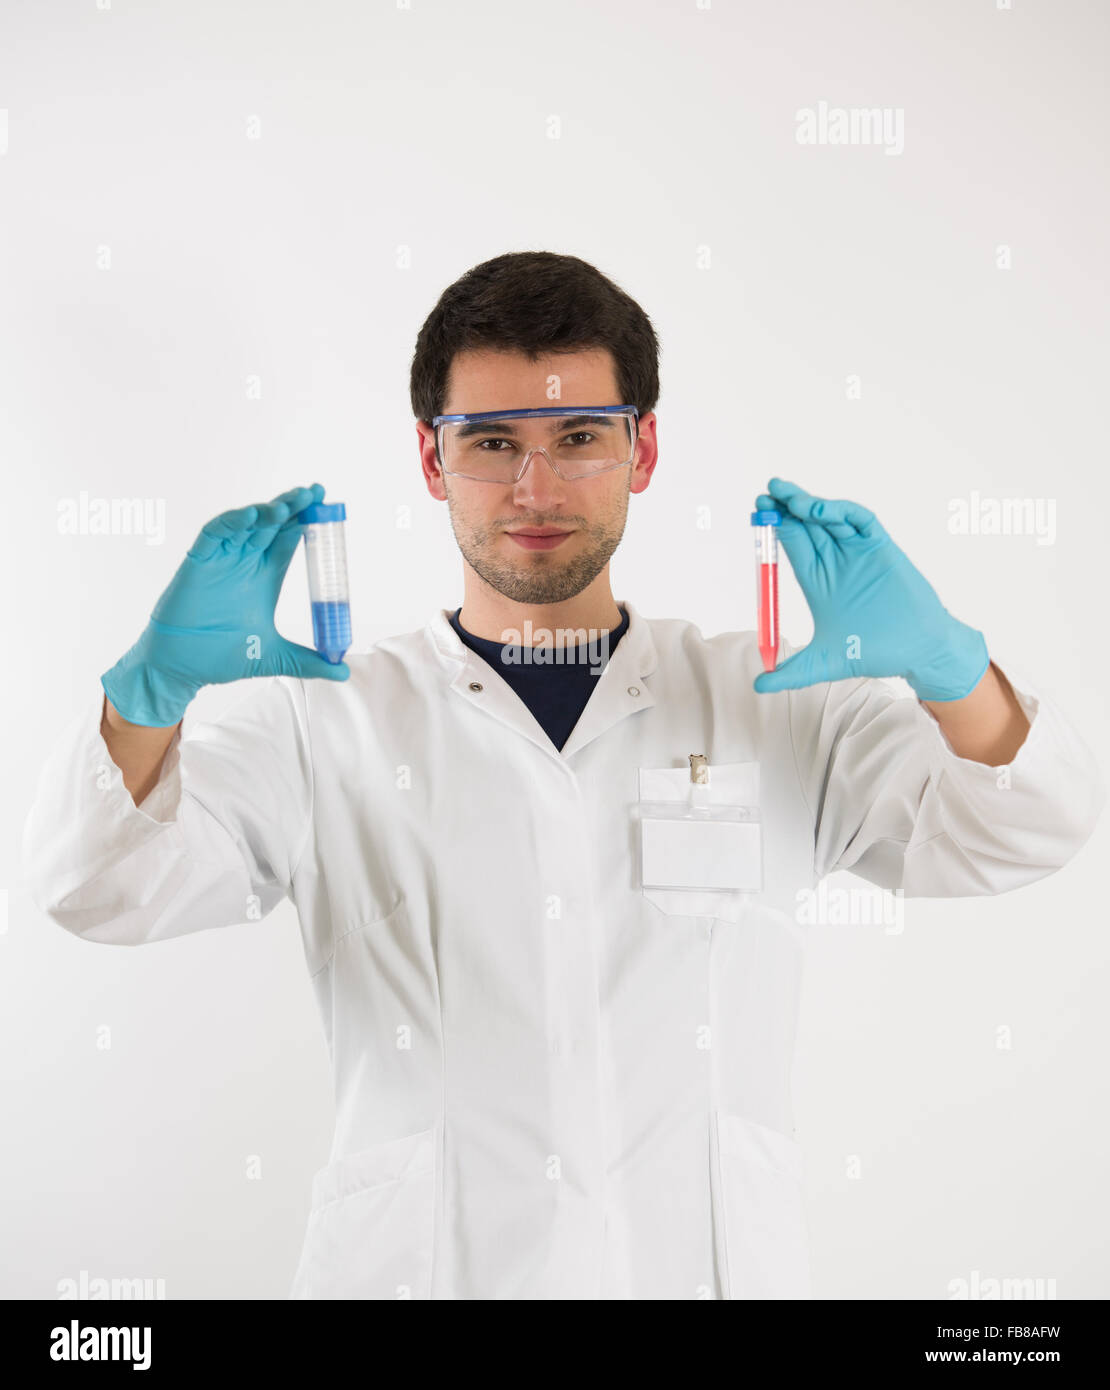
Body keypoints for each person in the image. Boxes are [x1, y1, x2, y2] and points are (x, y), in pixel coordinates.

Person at [22, 251, 1104, 1300]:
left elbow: (1033, 825)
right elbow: (99, 886)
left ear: (642, 452)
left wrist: (952, 668)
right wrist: (147, 696)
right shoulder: (329, 721)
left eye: (580, 435)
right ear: (430, 460)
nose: (535, 488)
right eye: (491, 440)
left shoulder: (775, 702)